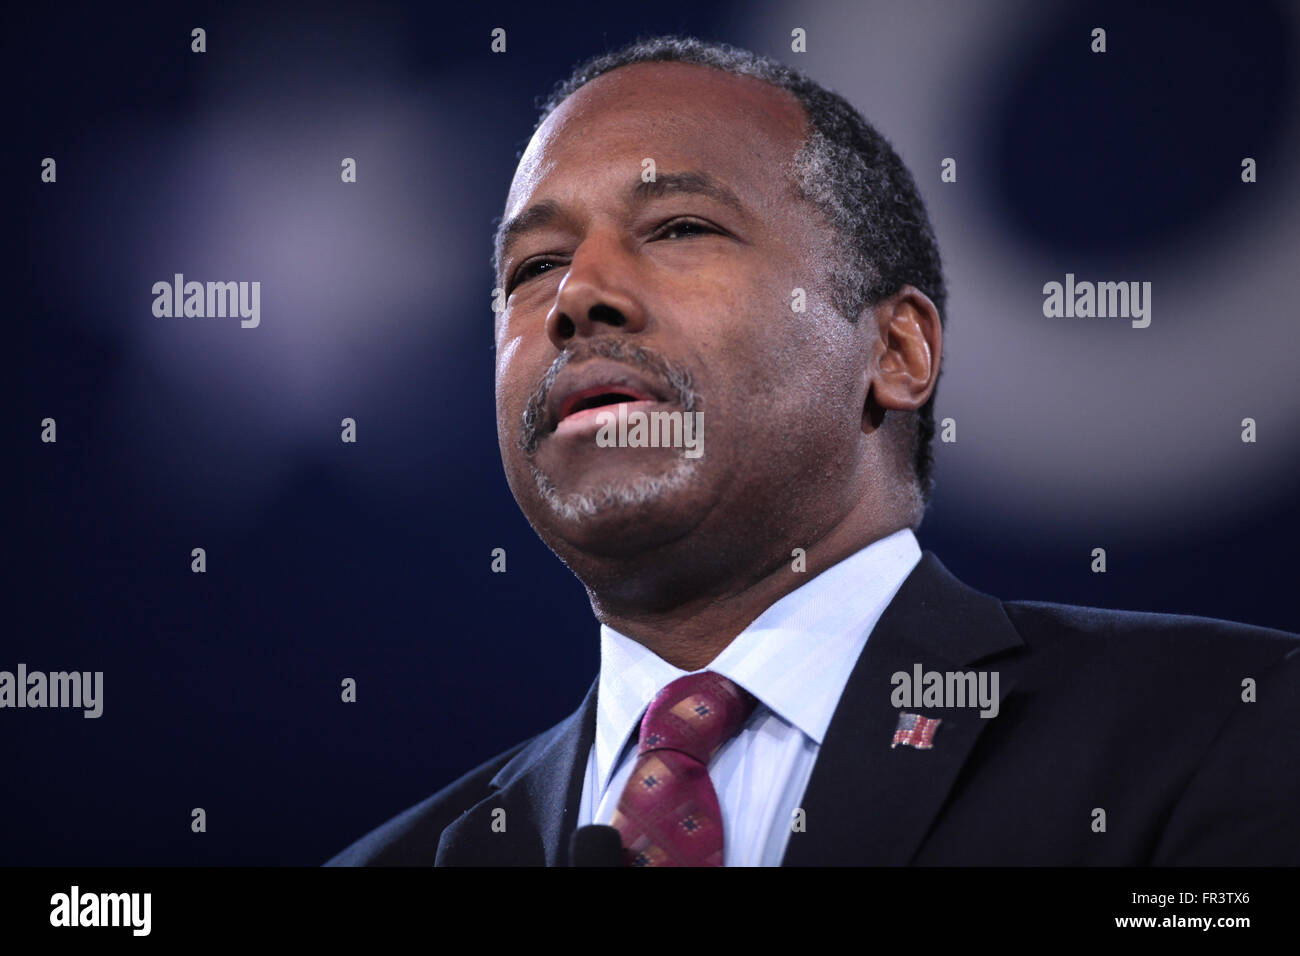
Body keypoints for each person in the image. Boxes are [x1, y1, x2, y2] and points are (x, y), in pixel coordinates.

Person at [327, 36, 1299, 866]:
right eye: (534, 266)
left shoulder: (1225, 727)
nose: (578, 293)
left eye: (678, 227)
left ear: (896, 351)